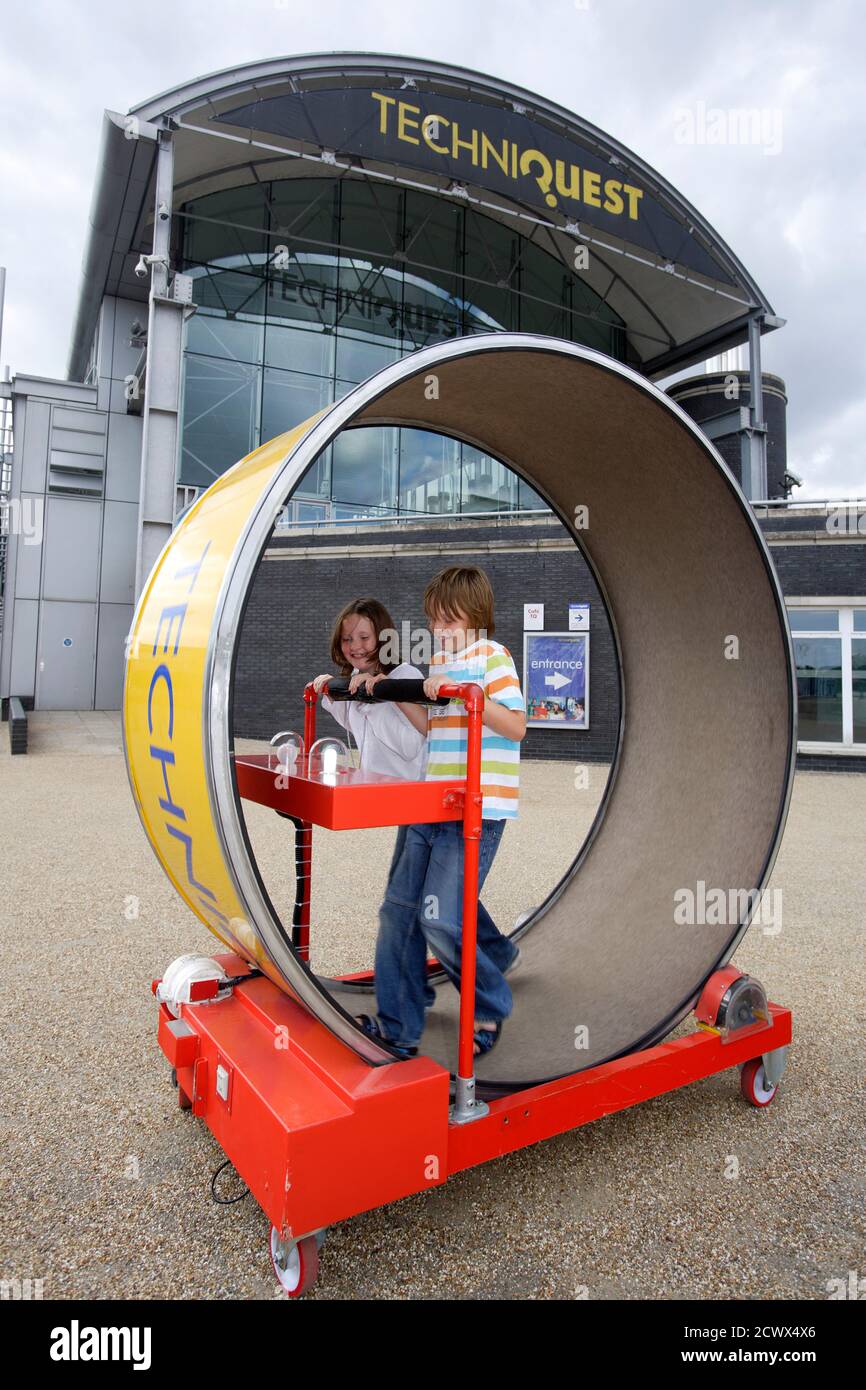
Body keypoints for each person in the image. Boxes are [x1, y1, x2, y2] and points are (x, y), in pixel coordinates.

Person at [358, 566, 525, 1060]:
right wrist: (390, 694)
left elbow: (516, 726)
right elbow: (434, 728)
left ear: (476, 618)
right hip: (433, 801)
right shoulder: (440, 662)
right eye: (435, 620)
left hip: (474, 809)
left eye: (450, 621)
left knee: (441, 920)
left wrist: (466, 691)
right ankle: (399, 1027)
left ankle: (490, 1004)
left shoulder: (493, 657)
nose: (440, 630)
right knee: (398, 912)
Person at [310, 598, 425, 779]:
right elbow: (355, 724)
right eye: (347, 639)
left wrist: (372, 697)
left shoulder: (407, 676)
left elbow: (410, 748)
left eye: (364, 638)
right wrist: (333, 689)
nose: (355, 646)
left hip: (404, 795)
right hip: (370, 790)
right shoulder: (357, 676)